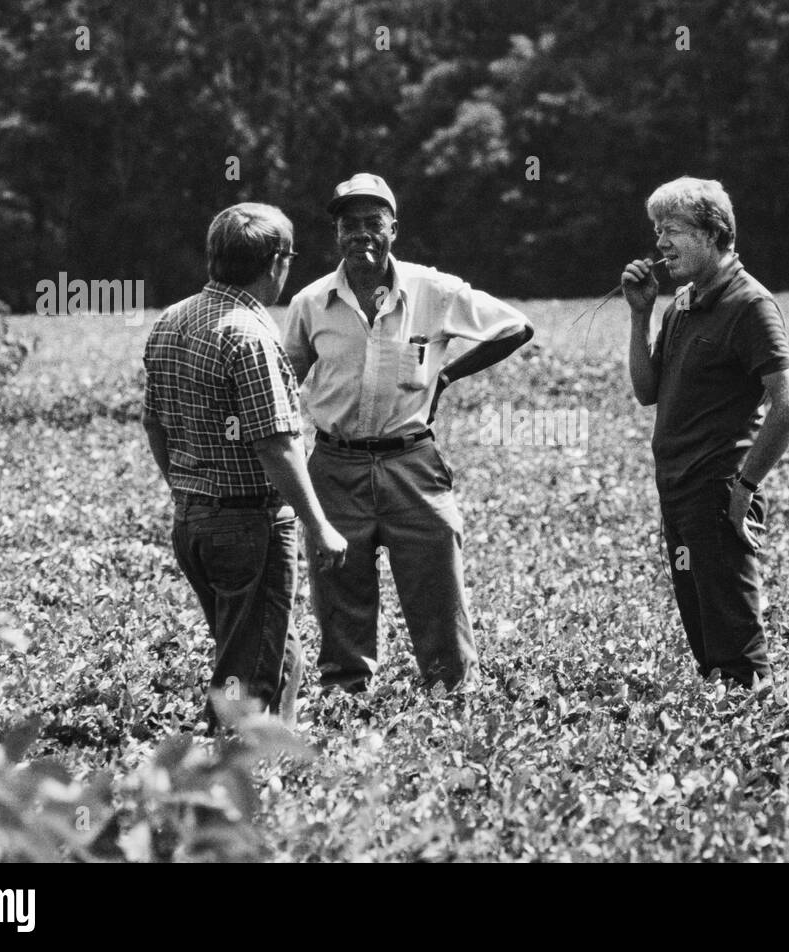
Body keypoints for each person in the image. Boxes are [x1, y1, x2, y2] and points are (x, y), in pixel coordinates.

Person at [284, 173, 533, 693]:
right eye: (349, 224)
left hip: (411, 461)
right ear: (336, 234)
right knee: (338, 586)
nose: (361, 234)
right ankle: (346, 694)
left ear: (393, 229)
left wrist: (448, 375)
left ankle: (453, 691)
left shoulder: (432, 290)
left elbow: (515, 327)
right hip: (335, 463)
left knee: (437, 581)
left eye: (373, 223)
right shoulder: (311, 302)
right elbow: (288, 379)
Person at [142, 202, 348, 733]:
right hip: (248, 525)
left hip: (193, 522)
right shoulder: (249, 334)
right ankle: (229, 762)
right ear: (276, 261)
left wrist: (188, 490)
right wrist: (319, 525)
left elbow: (153, 423)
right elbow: (275, 443)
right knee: (247, 670)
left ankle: (281, 745)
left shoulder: (171, 319)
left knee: (271, 645)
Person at [621, 177, 789, 690]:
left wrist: (743, 488)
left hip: (718, 493)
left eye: (673, 230)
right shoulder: (683, 303)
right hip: (678, 492)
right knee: (710, 653)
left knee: (739, 659)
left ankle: (761, 736)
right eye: (657, 231)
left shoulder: (751, 305)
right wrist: (640, 314)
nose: (660, 243)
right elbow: (646, 390)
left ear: (712, 233)